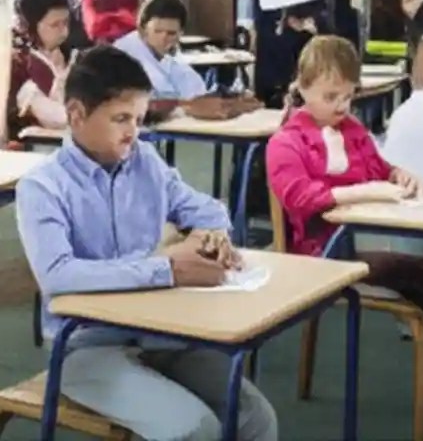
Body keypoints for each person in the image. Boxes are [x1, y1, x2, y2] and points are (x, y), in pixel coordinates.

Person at [14, 45, 278, 440]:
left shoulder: (145, 161)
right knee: (194, 429)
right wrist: (167, 268)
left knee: (256, 416)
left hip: (160, 330)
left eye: (138, 118)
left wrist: (213, 235)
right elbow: (58, 275)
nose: (132, 131)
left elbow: (206, 209)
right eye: (120, 118)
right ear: (76, 115)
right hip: (86, 346)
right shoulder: (43, 186)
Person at [264, 35, 423, 412]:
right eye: (330, 97)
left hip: (347, 250)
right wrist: (367, 191)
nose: (342, 106)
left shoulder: (353, 131)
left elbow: (379, 169)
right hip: (316, 257)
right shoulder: (285, 141)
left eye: (348, 95)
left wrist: (399, 175)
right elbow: (300, 197)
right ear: (303, 87)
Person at [114, 0, 261, 120]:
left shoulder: (171, 57)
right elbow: (140, 104)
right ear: (142, 29)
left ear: (180, 34)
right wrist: (188, 106)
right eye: (157, 31)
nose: (163, 38)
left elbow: (196, 95)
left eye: (171, 33)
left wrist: (230, 101)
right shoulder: (125, 53)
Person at [8, 0, 78, 134]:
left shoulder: (75, 57)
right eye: (55, 25)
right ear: (31, 26)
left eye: (66, 23)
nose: (64, 31)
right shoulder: (18, 63)